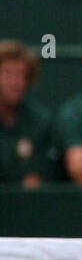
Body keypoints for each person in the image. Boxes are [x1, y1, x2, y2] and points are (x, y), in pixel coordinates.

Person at [0, 40, 57, 187]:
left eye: (21, 75)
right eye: (8, 74)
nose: (16, 83)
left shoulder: (40, 121)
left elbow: (34, 181)